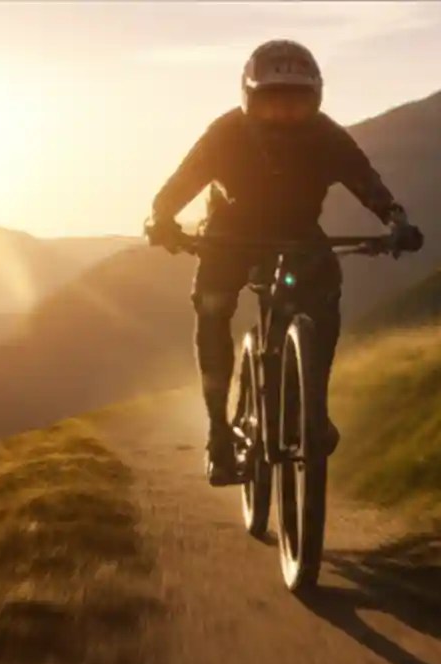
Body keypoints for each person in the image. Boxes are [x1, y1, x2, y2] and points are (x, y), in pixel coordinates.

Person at [145, 39, 423, 486]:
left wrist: (396, 220)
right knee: (213, 307)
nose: (285, 115)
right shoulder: (225, 135)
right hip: (230, 234)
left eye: (297, 105)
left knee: (325, 291)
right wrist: (161, 217)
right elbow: (181, 183)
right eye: (273, 105)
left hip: (297, 233)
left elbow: (367, 183)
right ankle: (219, 435)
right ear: (249, 99)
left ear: (315, 100)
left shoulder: (328, 136)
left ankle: (313, 407)